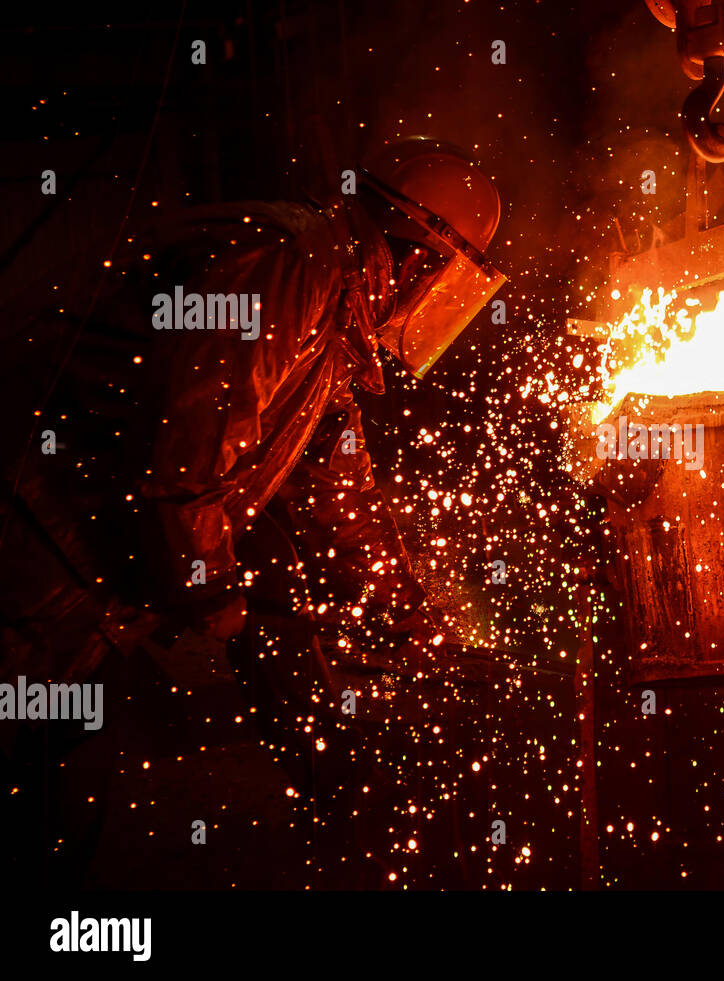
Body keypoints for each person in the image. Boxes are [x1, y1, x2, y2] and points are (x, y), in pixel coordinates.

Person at [0, 137, 505, 885]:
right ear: (423, 258)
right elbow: (188, 441)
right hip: (34, 543)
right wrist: (209, 587)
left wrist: (412, 617)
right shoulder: (293, 265)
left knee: (57, 778)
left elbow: (343, 494)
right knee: (44, 788)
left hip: (77, 571)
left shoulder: (332, 306)